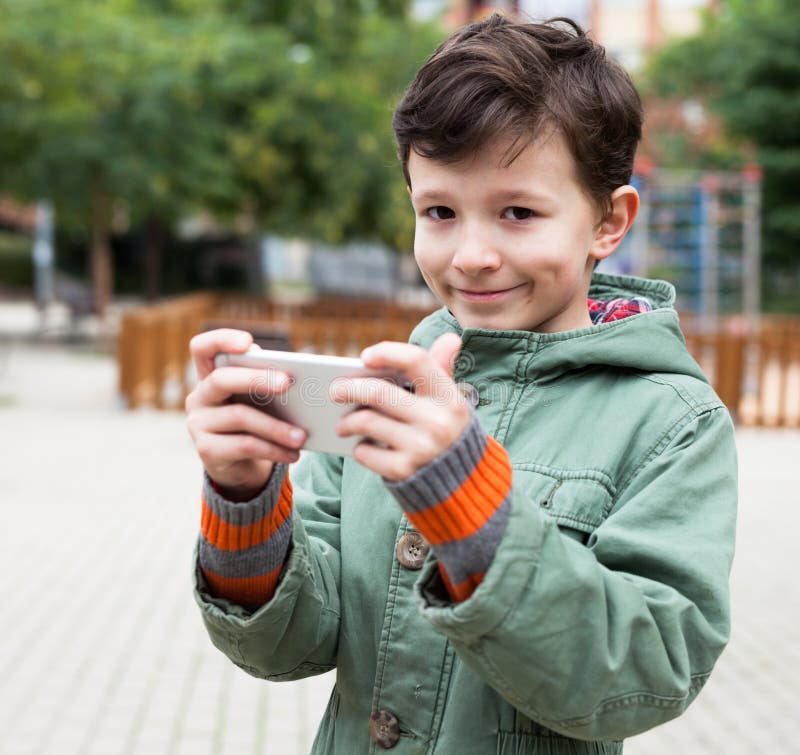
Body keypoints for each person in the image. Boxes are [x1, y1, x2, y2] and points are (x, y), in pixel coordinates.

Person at [186, 14, 737, 754]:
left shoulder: (672, 421)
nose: (472, 254)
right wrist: (246, 498)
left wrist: (472, 511)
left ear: (609, 220)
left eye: (518, 212)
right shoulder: (384, 388)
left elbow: (647, 672)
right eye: (440, 211)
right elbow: (288, 646)